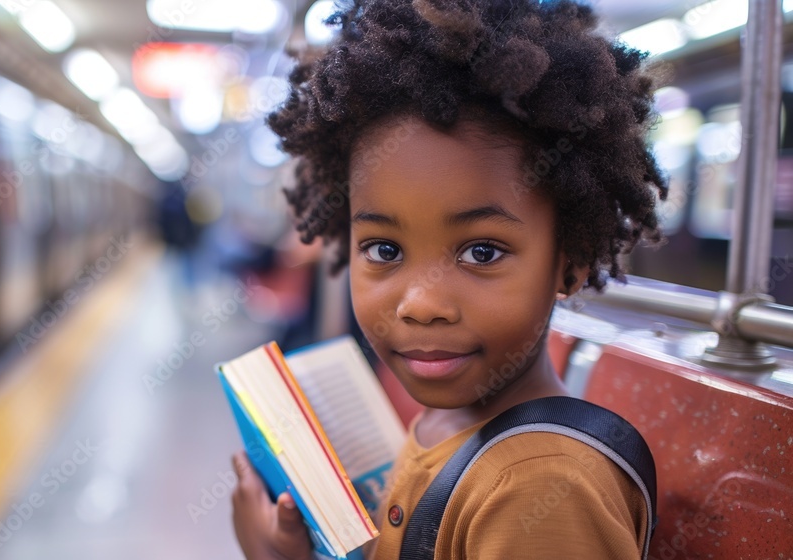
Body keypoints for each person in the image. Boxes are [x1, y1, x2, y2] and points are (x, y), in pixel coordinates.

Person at [231, 0, 667, 558]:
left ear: (572, 260)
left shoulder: (540, 487)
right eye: (385, 248)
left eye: (482, 252)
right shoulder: (445, 421)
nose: (420, 303)